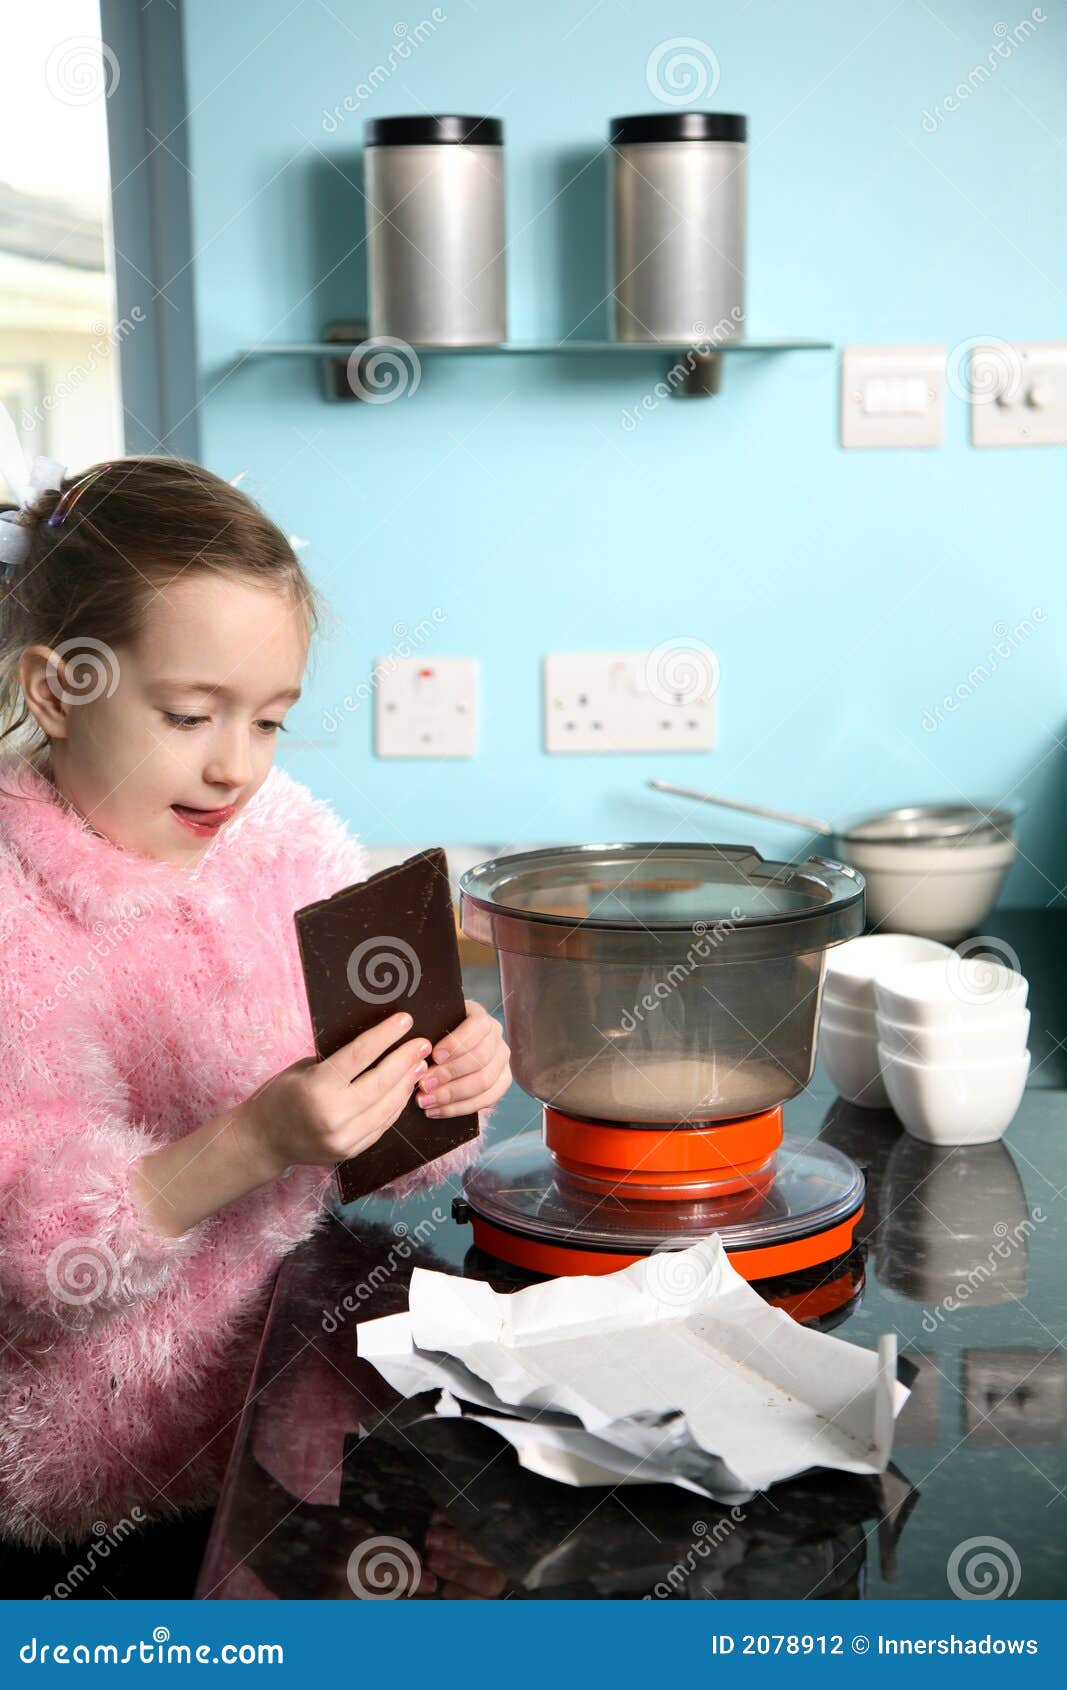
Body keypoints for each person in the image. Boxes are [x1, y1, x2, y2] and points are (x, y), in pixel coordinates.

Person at [0, 432, 511, 1589]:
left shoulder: (286, 848)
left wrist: (442, 1087)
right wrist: (256, 1138)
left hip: (278, 1432)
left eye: (269, 719)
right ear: (56, 689)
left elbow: (379, 1152)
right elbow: (35, 1261)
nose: (236, 767)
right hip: (83, 1502)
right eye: (191, 715)